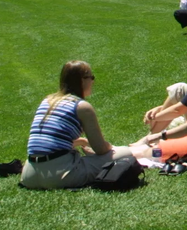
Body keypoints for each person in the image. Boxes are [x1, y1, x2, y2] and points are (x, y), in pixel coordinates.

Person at [20, 61, 134, 189]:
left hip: (29, 175)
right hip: (60, 175)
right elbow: (101, 149)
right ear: (82, 80)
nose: (93, 81)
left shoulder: (48, 101)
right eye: (91, 77)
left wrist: (82, 142)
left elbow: (48, 141)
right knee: (126, 153)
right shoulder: (82, 107)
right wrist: (112, 147)